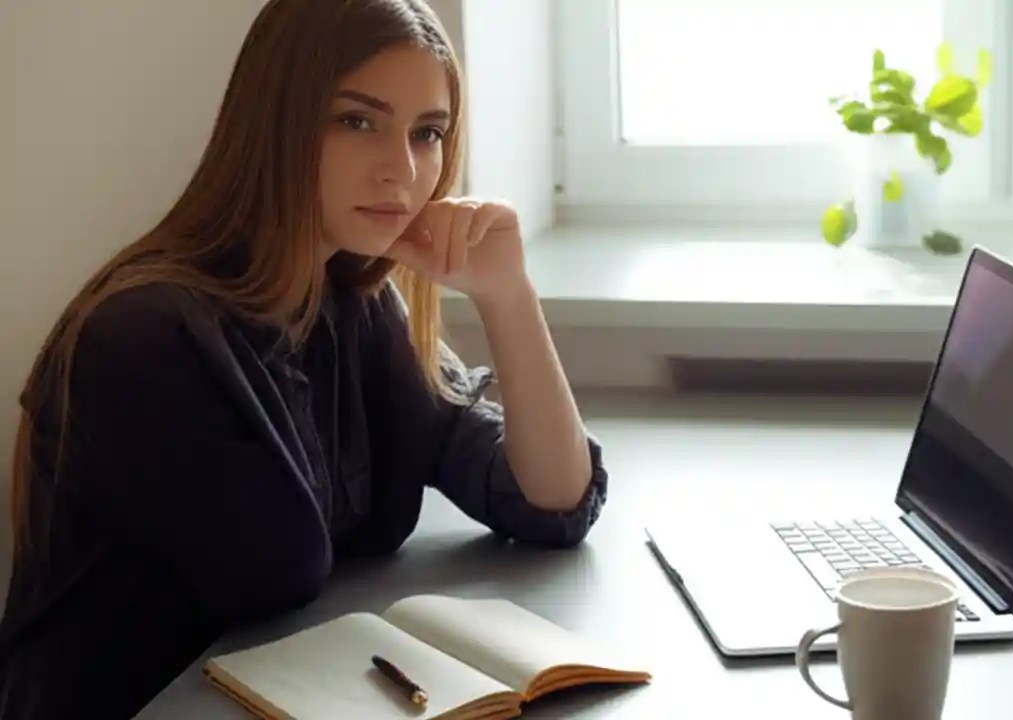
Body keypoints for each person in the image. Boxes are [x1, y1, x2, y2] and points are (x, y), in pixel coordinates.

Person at [0, 1, 608, 717]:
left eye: (428, 133)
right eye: (357, 121)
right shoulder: (139, 335)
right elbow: (275, 569)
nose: (403, 170)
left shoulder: (355, 301)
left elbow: (552, 499)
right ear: (276, 126)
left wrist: (508, 295)